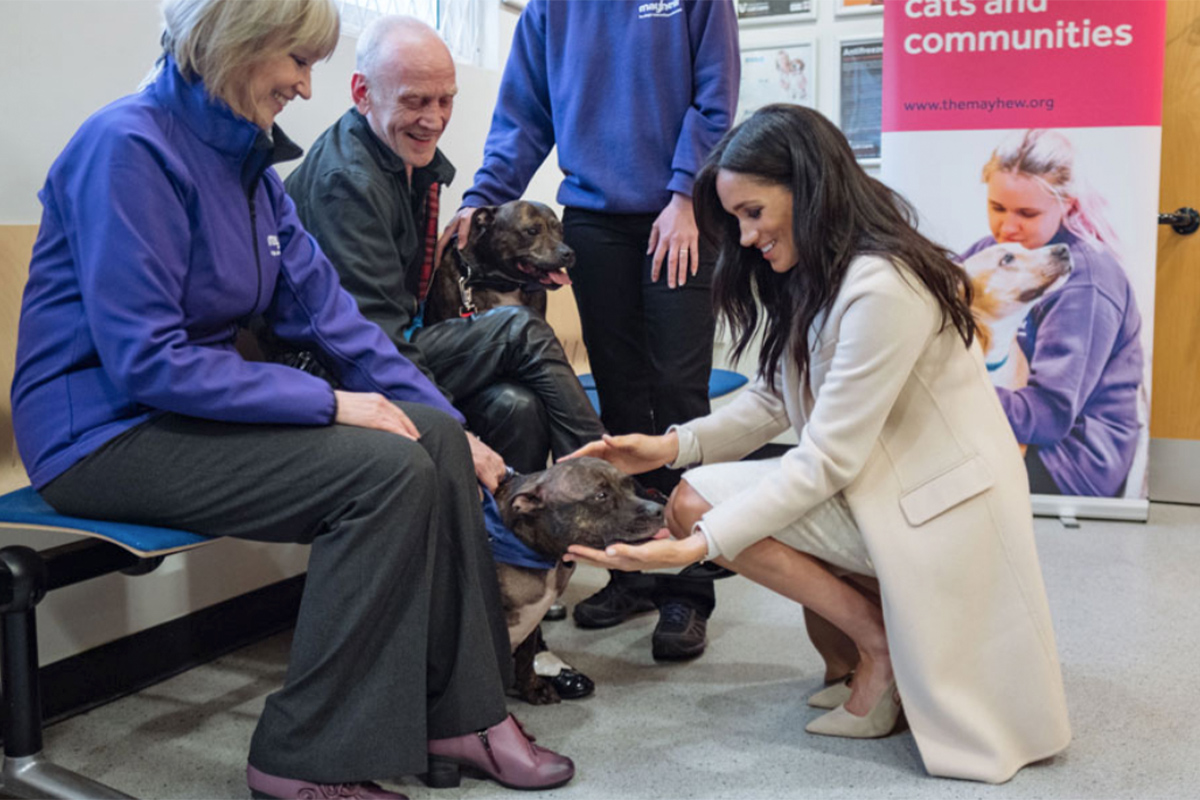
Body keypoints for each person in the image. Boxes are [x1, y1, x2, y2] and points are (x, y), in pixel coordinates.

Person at [9, 1, 573, 797]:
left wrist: (450, 423)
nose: (307, 88)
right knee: (384, 473)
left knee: (436, 443)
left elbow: (338, 323)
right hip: (102, 433)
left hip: (189, 411)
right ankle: (303, 757)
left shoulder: (249, 170)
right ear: (237, 46)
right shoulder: (126, 147)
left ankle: (464, 713)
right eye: (296, 62)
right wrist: (331, 405)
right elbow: (146, 361)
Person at [564, 104, 1071, 783]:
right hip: (898, 487)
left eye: (753, 213)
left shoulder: (882, 285)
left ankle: (877, 647)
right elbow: (775, 399)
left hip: (939, 510)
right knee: (695, 495)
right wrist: (667, 446)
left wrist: (703, 547)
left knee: (699, 509)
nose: (744, 238)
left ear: (807, 189)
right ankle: (871, 648)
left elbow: (828, 458)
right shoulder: (829, 272)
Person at [279, 14, 600, 700]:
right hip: (334, 375)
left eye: (445, 99)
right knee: (516, 331)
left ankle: (507, 637)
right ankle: (595, 471)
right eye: (415, 101)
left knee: (513, 405)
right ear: (363, 92)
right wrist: (460, 428)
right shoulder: (347, 180)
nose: (434, 118)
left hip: (385, 355)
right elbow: (369, 344)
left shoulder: (407, 165)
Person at [440, 0, 741, 662]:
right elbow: (523, 116)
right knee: (619, 401)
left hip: (683, 215)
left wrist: (689, 194)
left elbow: (715, 100)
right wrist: (481, 197)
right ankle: (631, 573)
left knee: (678, 398)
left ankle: (689, 587)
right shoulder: (550, 9)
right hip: (596, 222)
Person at [959, 129, 1144, 498]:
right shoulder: (998, 249)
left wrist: (952, 398)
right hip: (1018, 429)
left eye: (1027, 213)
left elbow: (1050, 415)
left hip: (1070, 462)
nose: (1007, 228)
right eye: (997, 208)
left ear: (1069, 207)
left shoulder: (1086, 280)